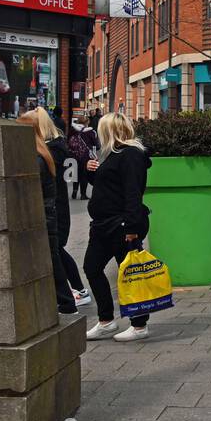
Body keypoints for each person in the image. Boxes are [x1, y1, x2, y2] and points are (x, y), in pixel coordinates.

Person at [84, 113, 154, 342]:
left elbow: (133, 192)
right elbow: (108, 187)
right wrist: (91, 171)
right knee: (92, 267)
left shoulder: (131, 154)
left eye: (101, 129)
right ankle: (106, 321)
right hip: (104, 224)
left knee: (131, 274)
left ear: (111, 130)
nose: (98, 133)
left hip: (122, 224)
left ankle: (139, 324)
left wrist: (131, 227)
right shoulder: (112, 155)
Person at [16, 112, 79, 316]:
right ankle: (67, 298)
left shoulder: (40, 157)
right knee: (53, 256)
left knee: (54, 257)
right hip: (50, 212)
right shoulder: (45, 152)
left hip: (47, 214)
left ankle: (69, 300)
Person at [34, 107, 93, 308]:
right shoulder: (52, 147)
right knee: (56, 250)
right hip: (55, 206)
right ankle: (74, 291)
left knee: (57, 249)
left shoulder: (51, 150)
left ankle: (77, 291)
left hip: (56, 208)